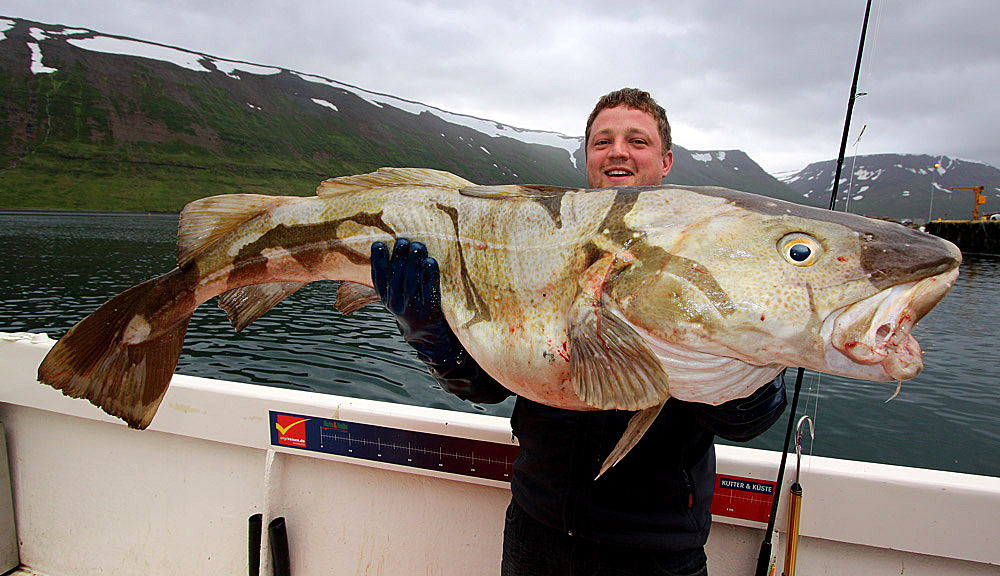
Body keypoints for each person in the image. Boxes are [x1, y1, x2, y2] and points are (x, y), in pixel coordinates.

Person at [370, 88, 787, 576]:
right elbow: (485, 387)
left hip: (655, 549)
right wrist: (430, 336)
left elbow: (744, 421)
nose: (617, 152)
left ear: (666, 161)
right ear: (586, 156)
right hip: (535, 529)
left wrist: (749, 367)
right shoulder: (529, 241)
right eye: (602, 141)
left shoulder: (711, 252)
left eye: (637, 141)